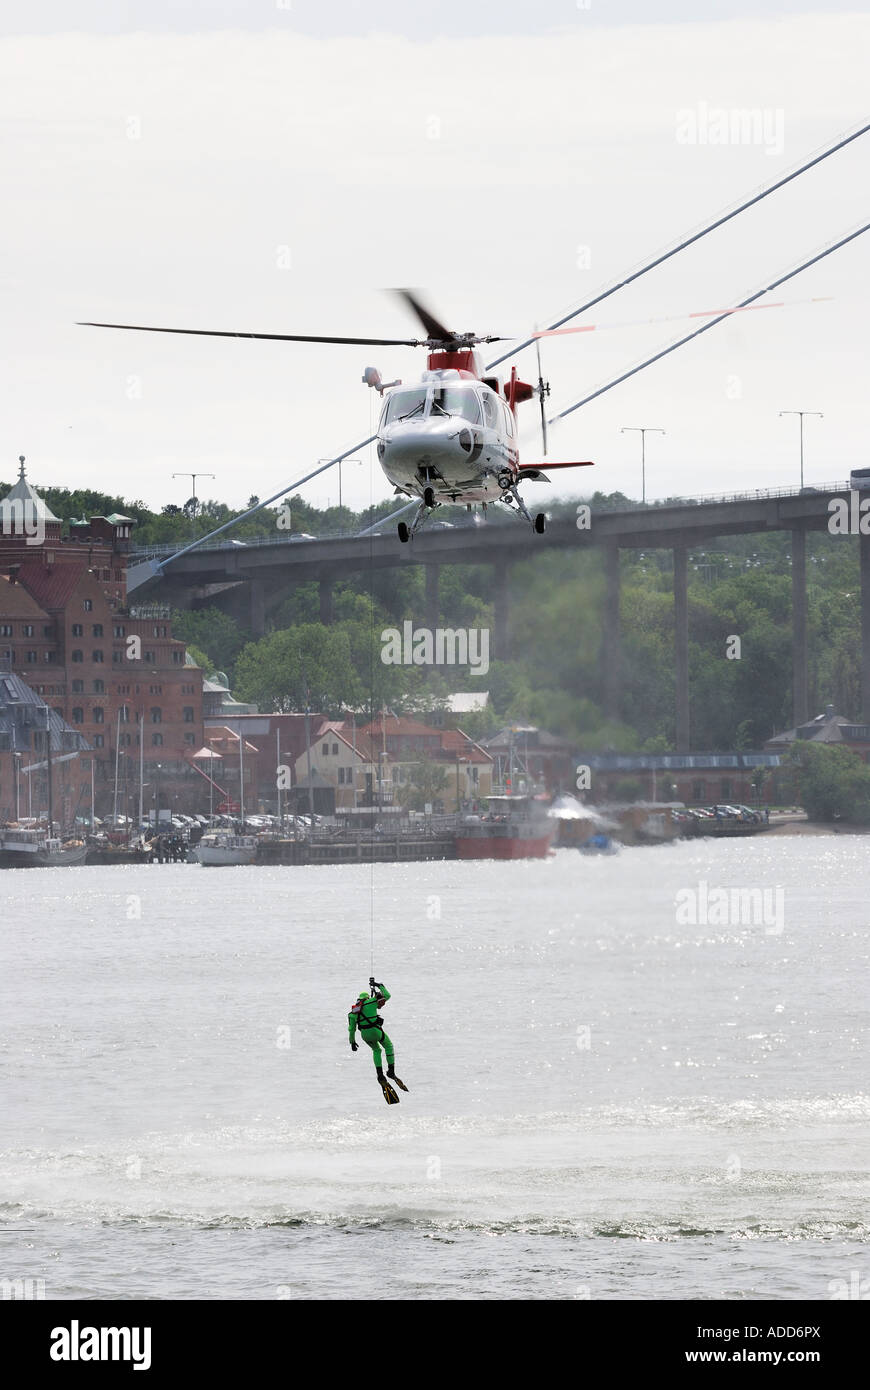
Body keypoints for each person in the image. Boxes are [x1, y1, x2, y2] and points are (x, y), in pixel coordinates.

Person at [348, 978, 408, 1104]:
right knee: (389, 1046)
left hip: (365, 1035)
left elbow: (351, 1030)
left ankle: (380, 1074)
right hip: (376, 1031)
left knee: (376, 1050)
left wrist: (352, 1042)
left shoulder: (352, 1013)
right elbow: (387, 995)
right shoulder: (371, 1002)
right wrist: (379, 985)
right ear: (366, 998)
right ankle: (391, 1071)